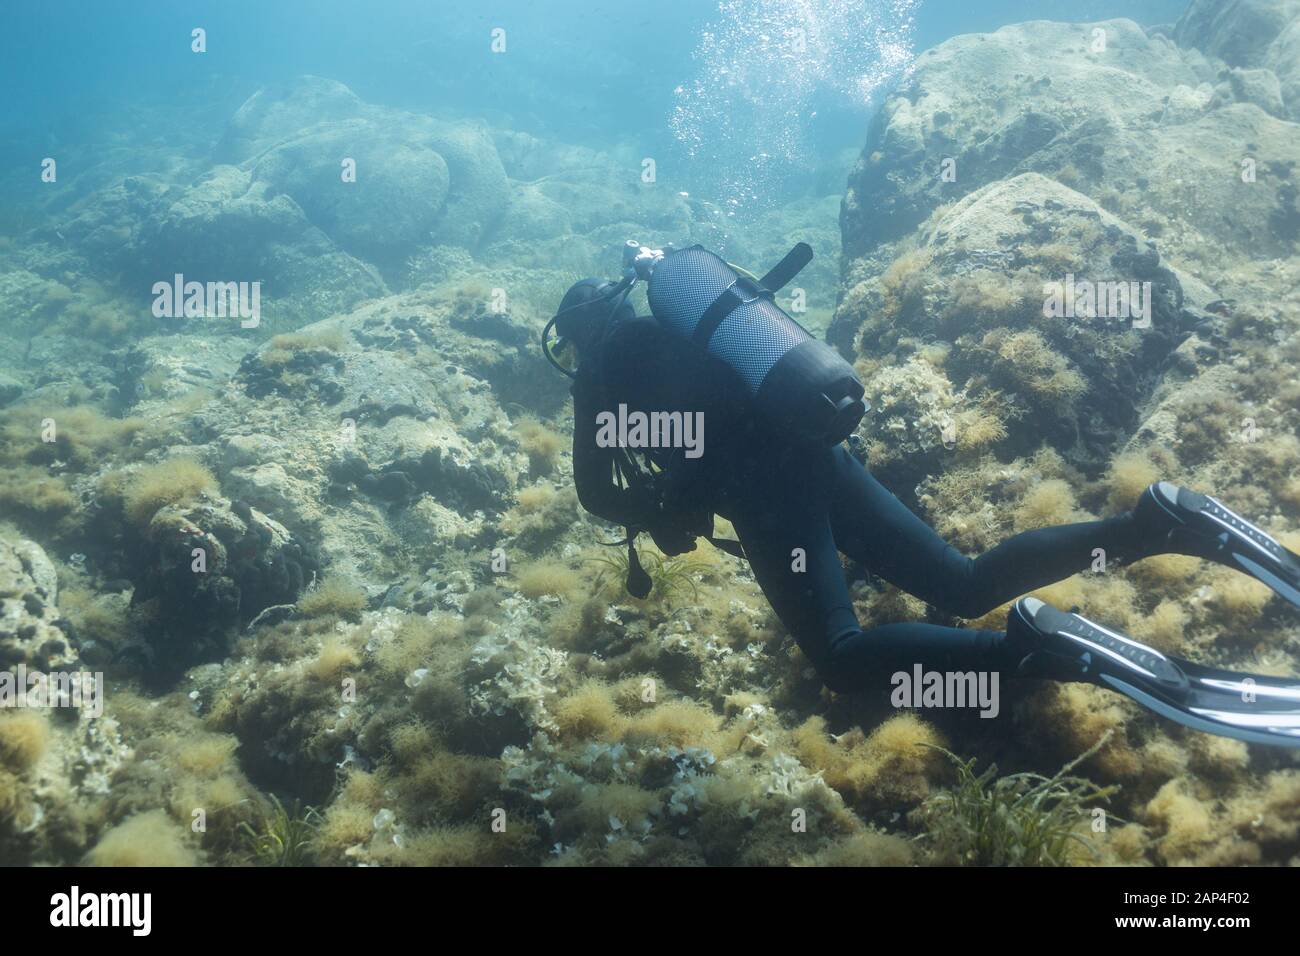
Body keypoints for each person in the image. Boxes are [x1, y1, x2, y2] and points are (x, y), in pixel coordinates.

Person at [548, 253, 1300, 747]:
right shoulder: (690, 328)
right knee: (962, 582)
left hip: (767, 498)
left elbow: (592, 493)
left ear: (581, 335)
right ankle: (1152, 523)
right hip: (818, 454)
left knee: (842, 658)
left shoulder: (602, 372)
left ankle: (1030, 650)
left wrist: (656, 510)